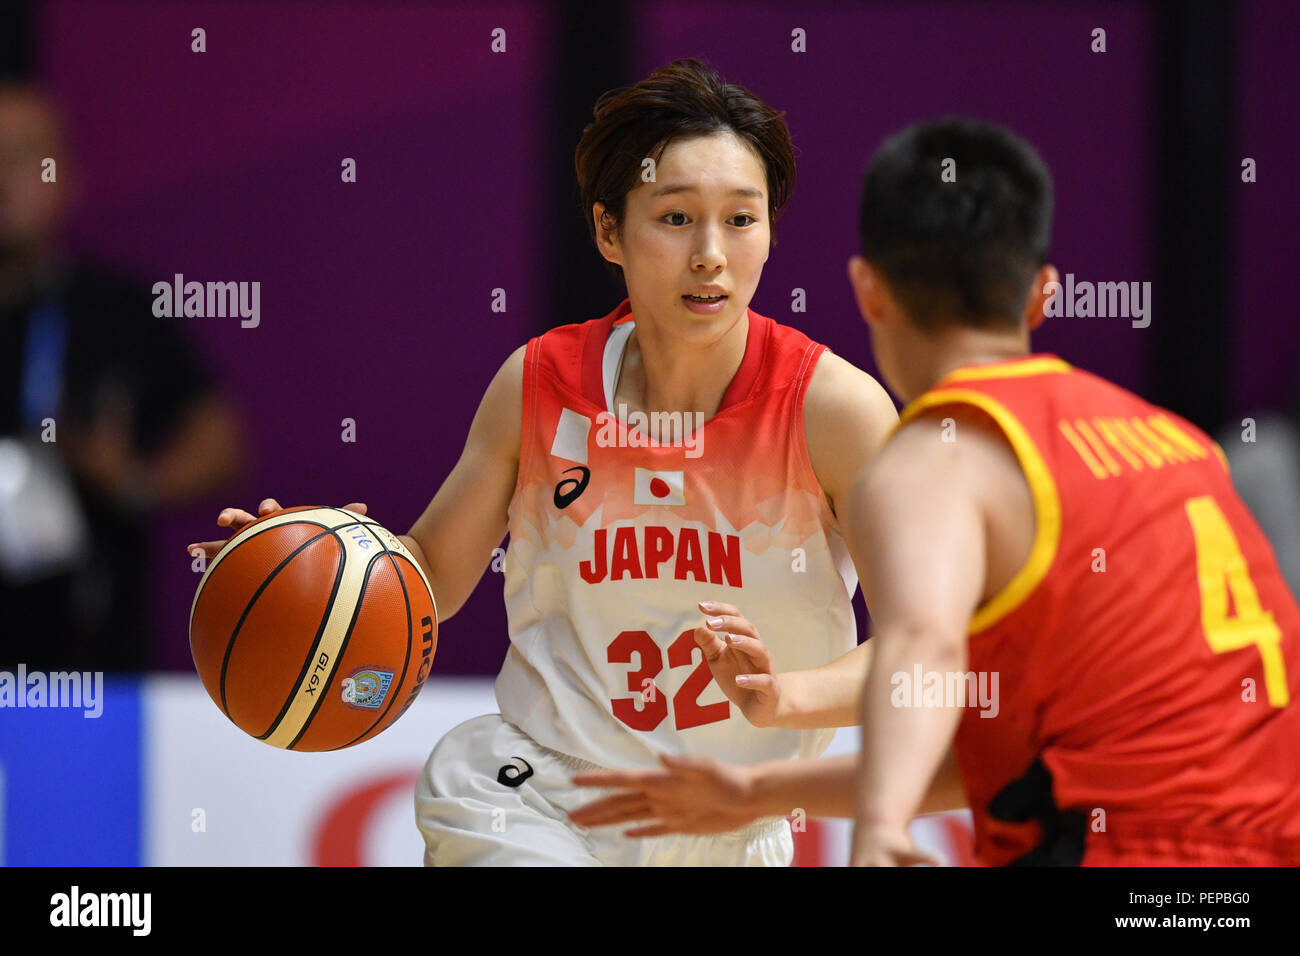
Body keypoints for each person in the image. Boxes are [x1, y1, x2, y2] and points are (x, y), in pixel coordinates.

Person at [186, 58, 901, 866]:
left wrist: (785, 698)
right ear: (608, 231)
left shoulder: (834, 411)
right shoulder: (540, 385)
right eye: (675, 218)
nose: (711, 254)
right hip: (536, 797)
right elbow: (427, 574)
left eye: (742, 220)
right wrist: (315, 564)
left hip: (728, 827)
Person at [568, 116, 1300, 867]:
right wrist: (755, 794)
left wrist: (881, 829)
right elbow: (997, 761)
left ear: (869, 291)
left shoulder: (933, 460)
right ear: (1042, 295)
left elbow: (922, 653)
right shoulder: (1175, 442)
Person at [0, 82, 243, 671]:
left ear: (67, 178)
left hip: (84, 651)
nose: (1, 177)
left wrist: (134, 481)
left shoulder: (119, 310)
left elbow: (222, 444)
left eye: (24, 159)